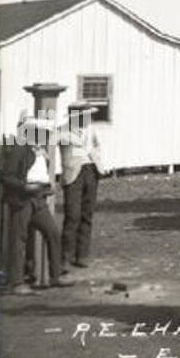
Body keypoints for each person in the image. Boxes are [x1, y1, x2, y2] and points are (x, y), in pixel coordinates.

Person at [0, 114, 71, 293]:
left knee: (53, 232)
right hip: (22, 198)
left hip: (39, 197)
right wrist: (24, 186)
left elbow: (42, 172)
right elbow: (5, 177)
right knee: (19, 238)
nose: (45, 136)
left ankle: (55, 275)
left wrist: (47, 187)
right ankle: (16, 283)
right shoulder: (19, 148)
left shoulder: (39, 150)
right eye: (41, 132)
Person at [58, 104, 103, 269]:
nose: (89, 119)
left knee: (87, 214)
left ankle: (82, 255)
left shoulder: (91, 130)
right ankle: (65, 258)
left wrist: (97, 159)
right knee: (72, 215)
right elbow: (55, 142)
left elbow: (97, 145)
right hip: (73, 175)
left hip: (91, 171)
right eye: (85, 116)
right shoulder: (64, 130)